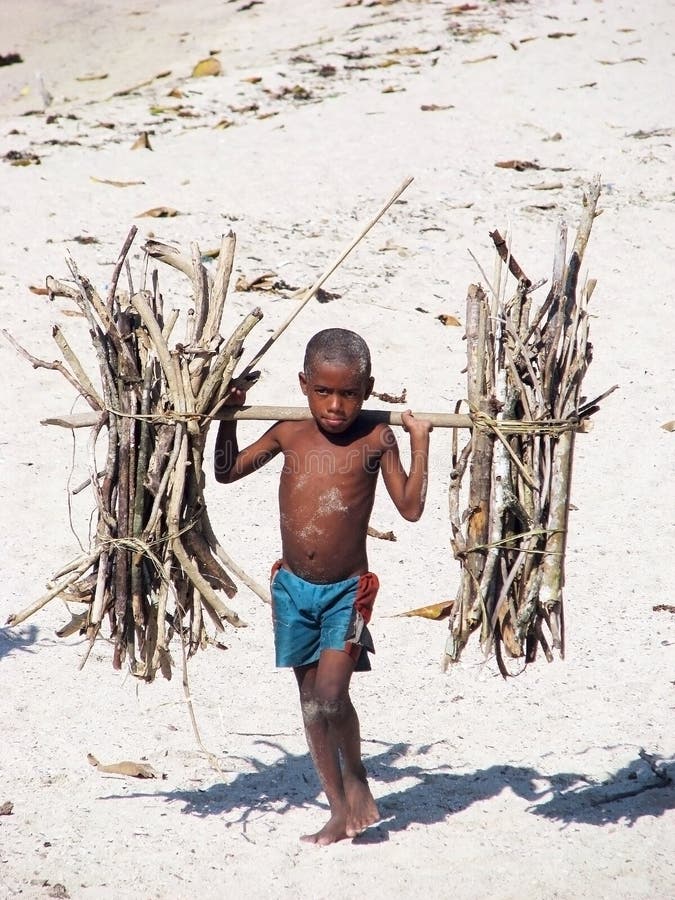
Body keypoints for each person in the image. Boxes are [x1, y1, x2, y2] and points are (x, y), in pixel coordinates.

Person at [214, 328, 432, 845]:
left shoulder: (376, 439)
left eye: (350, 394)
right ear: (304, 385)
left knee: (333, 695)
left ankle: (355, 777)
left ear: (368, 389)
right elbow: (226, 472)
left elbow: (411, 507)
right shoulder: (289, 432)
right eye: (324, 392)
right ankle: (337, 808)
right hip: (292, 590)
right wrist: (224, 418)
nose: (336, 406)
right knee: (310, 702)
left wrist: (419, 445)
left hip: (346, 592)